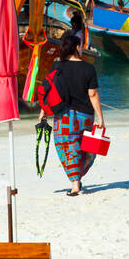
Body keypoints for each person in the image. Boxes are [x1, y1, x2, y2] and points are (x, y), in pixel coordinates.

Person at [37, 33, 105, 196]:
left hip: (64, 117)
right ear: (76, 47)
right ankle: (79, 176)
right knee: (89, 147)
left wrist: (43, 112)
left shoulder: (57, 67)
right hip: (85, 116)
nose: (82, 48)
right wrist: (100, 117)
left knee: (67, 149)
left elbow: (48, 91)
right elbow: (93, 94)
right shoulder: (89, 68)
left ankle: (75, 183)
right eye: (80, 46)